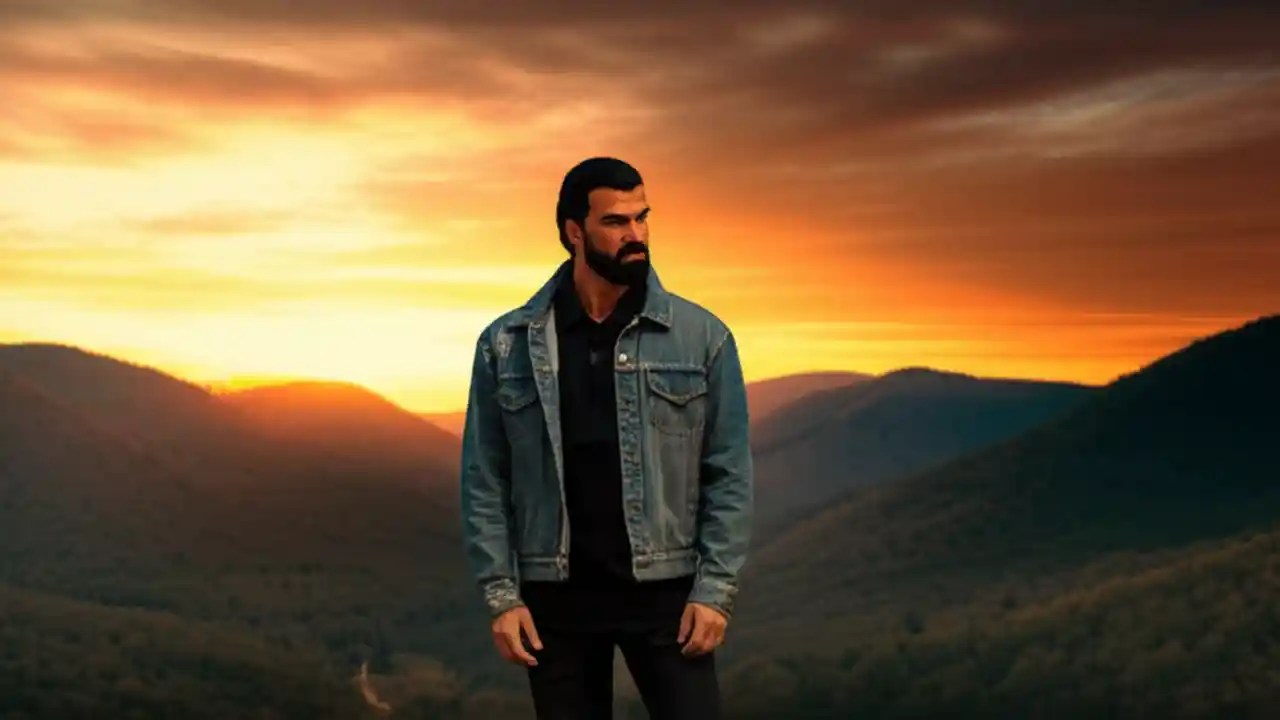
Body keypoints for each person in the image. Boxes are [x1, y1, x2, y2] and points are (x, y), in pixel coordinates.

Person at [459, 156, 753, 718]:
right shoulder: (506, 344)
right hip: (556, 598)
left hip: (666, 594)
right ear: (575, 232)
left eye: (642, 219)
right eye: (617, 222)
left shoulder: (702, 338)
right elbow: (485, 478)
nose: (636, 235)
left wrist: (715, 592)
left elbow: (729, 472)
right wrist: (502, 597)